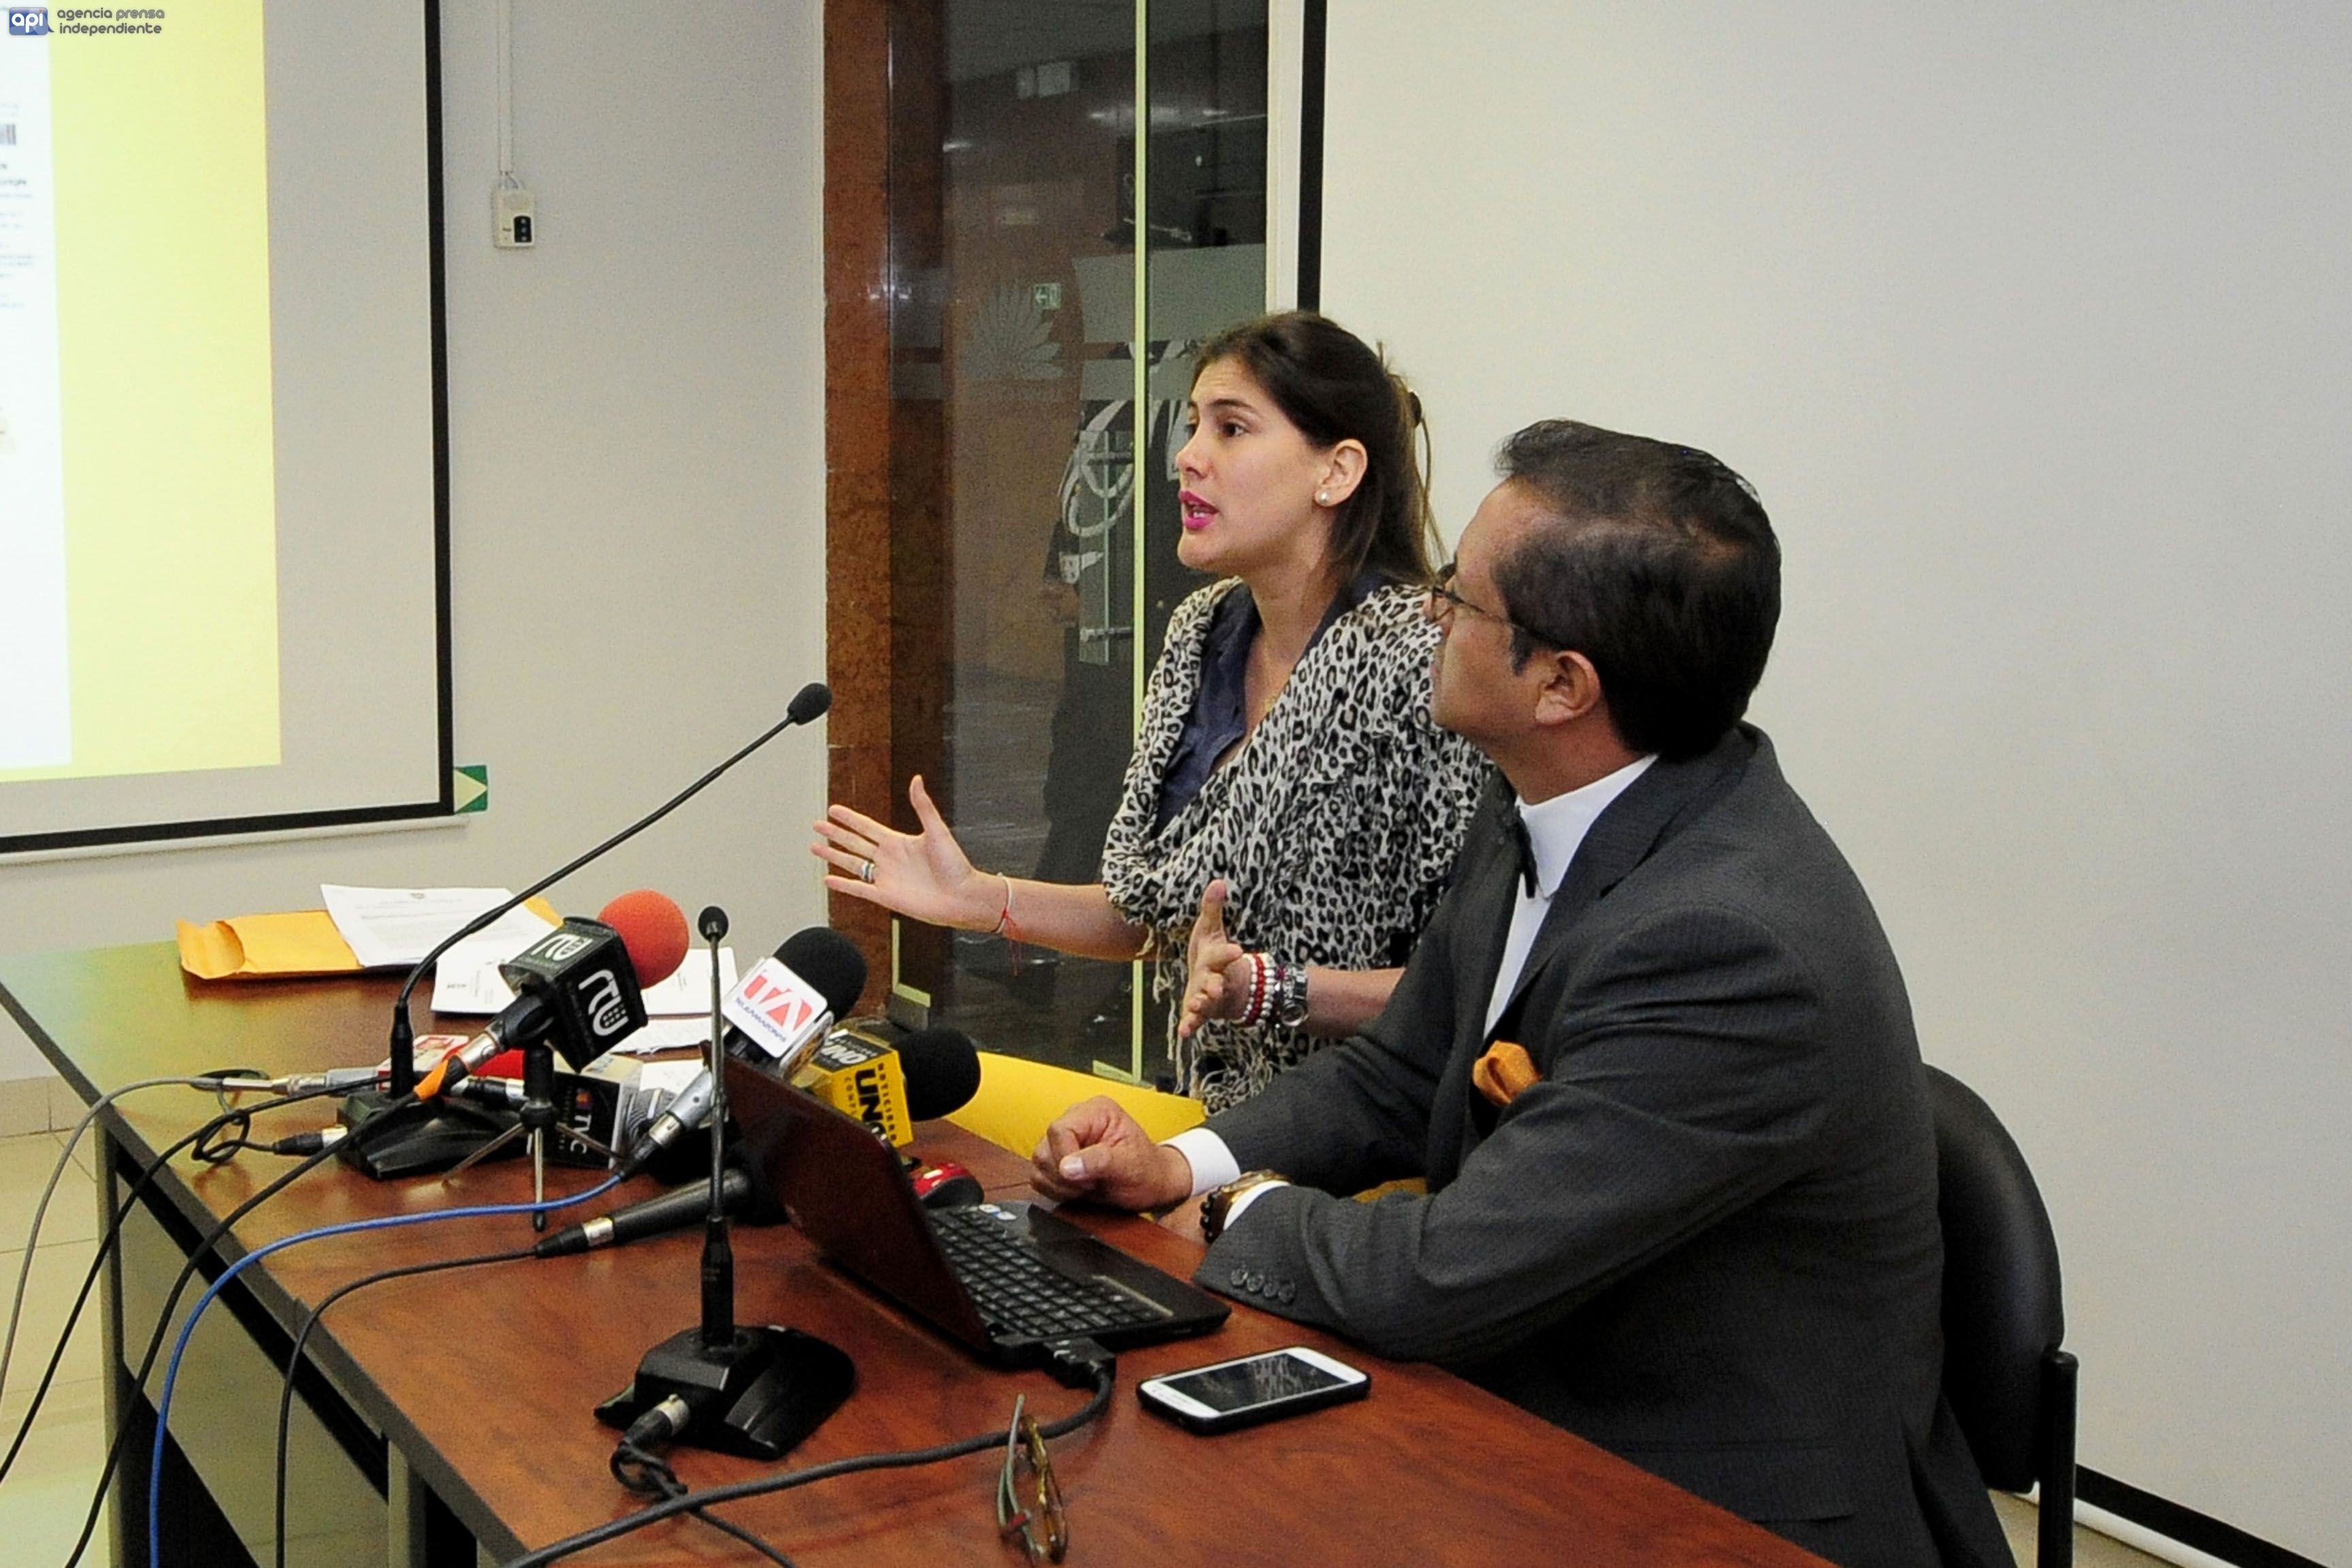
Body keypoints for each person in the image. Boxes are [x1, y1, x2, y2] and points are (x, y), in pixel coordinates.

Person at [1029, 421, 2013, 1568]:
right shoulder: (1544, 798)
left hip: (1713, 1500)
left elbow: (1442, 1272)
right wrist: (1183, 1162)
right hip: (1529, 1396)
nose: (1428, 612)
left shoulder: (1728, 948)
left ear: (1561, 684)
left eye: (1460, 595)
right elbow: (1402, 1071)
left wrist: (1229, 1214)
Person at [813, 312, 1486, 1110]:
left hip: (1364, 1132)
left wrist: (1270, 991)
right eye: (1194, 424)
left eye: (1231, 428)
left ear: (1336, 472)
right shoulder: (1201, 632)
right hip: (1210, 1108)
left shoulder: (1427, 660)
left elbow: (1470, 988)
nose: (1187, 456)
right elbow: (1153, 914)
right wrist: (981, 900)